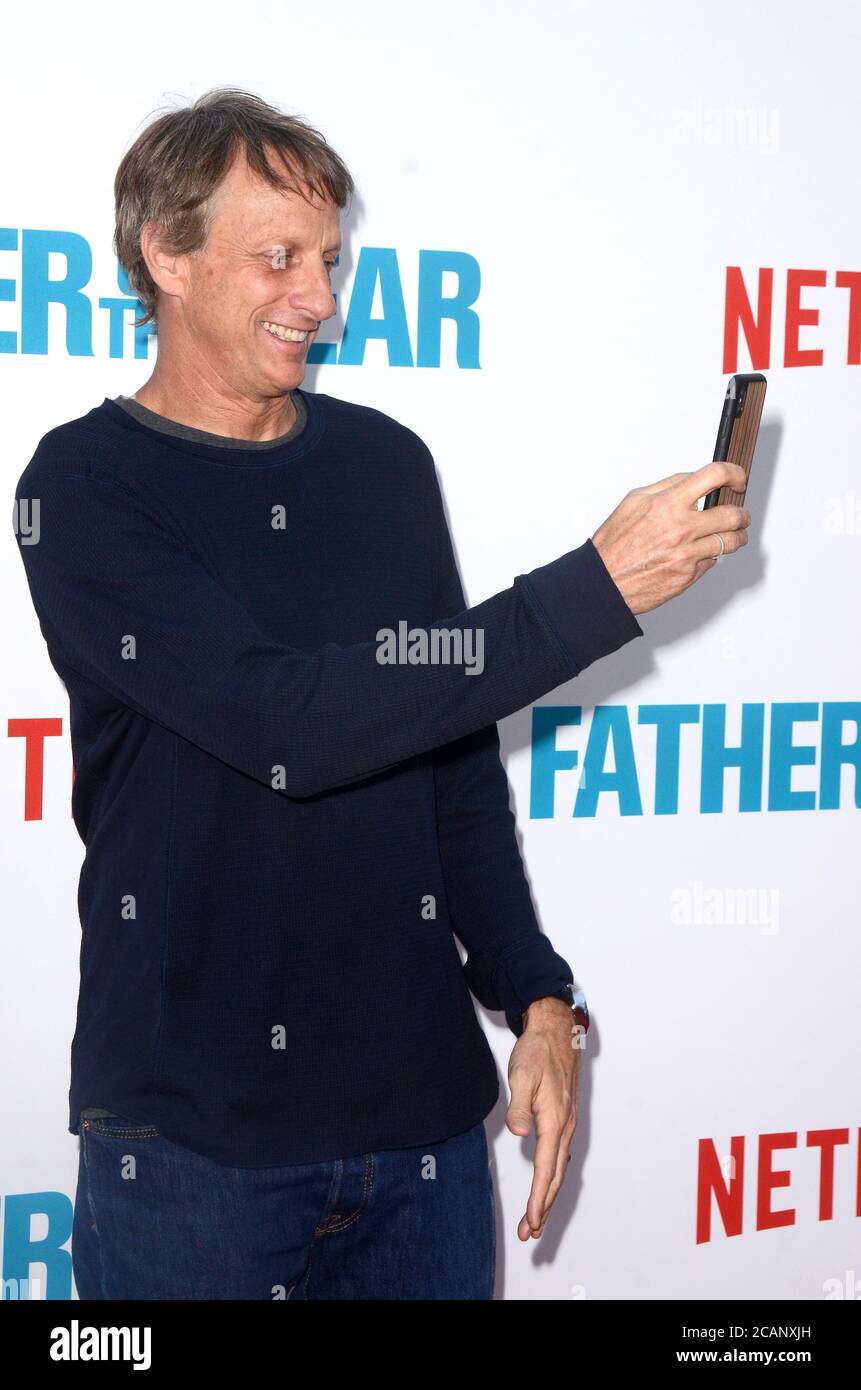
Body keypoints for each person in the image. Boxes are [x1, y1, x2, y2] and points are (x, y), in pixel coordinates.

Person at [12, 87, 749, 1301]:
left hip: (428, 1144)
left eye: (333, 259)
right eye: (280, 258)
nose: (321, 297)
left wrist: (537, 990)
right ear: (166, 255)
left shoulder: (383, 464)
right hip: (190, 1151)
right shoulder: (84, 488)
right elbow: (284, 721)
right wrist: (590, 591)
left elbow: (446, 758)